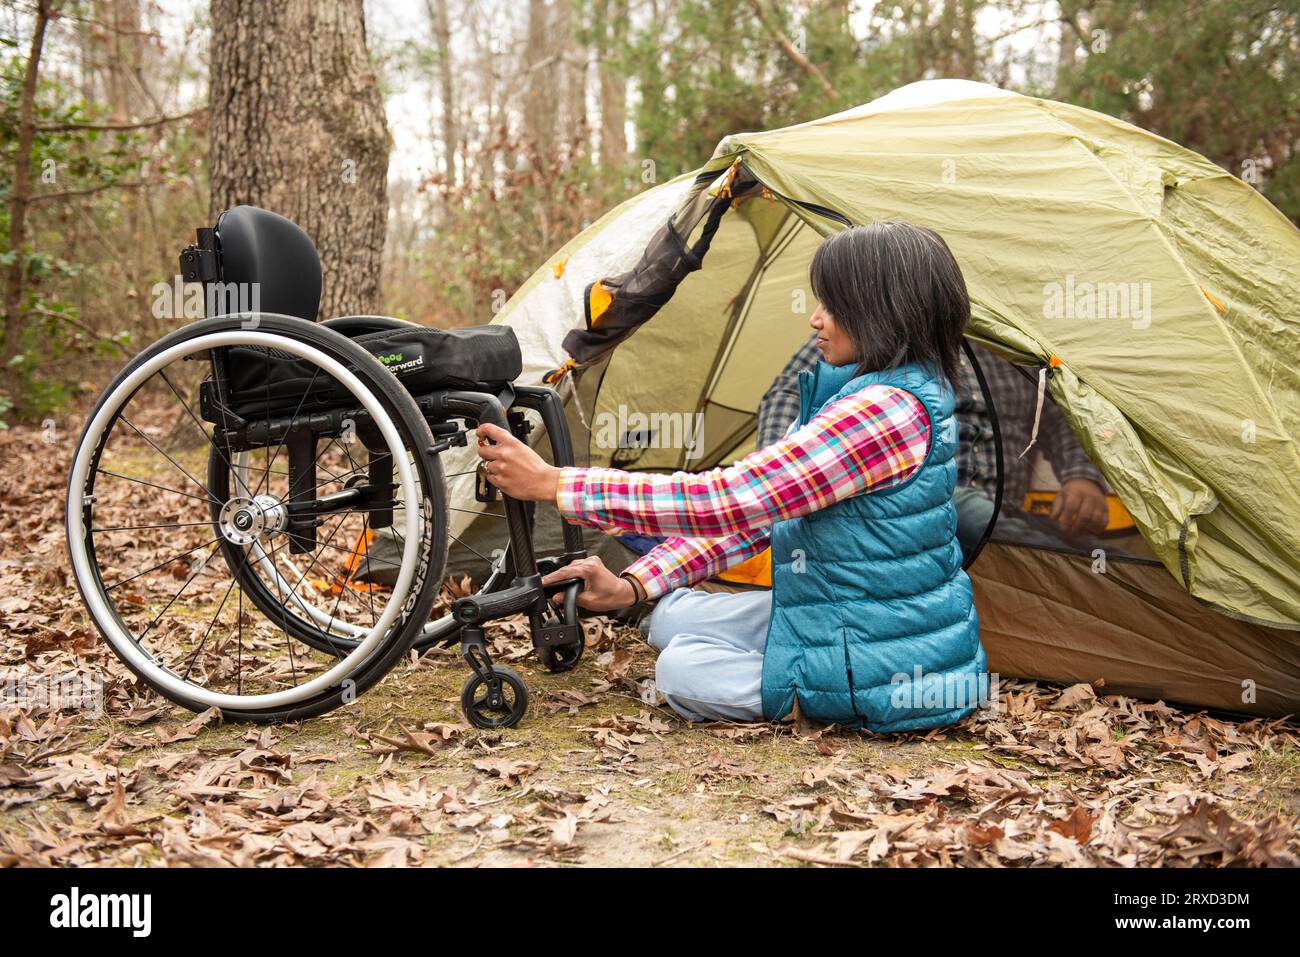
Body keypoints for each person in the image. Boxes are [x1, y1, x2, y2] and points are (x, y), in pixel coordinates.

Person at [474, 222, 986, 732]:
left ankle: (832, 700)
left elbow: (734, 499)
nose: (814, 319)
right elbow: (757, 521)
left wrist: (556, 484)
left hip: (884, 659)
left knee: (681, 671)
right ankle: (786, 668)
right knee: (670, 616)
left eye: (832, 306)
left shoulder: (881, 413)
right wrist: (632, 586)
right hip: (854, 613)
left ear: (881, 311)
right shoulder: (884, 389)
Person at [760, 336, 1111, 557]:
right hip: (909, 505)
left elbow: (1057, 419)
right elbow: (791, 394)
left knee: (993, 522)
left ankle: (1080, 563)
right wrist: (784, 476)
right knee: (966, 511)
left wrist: (1082, 478)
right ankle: (1064, 560)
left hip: (1001, 518)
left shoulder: (1015, 344)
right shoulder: (873, 331)